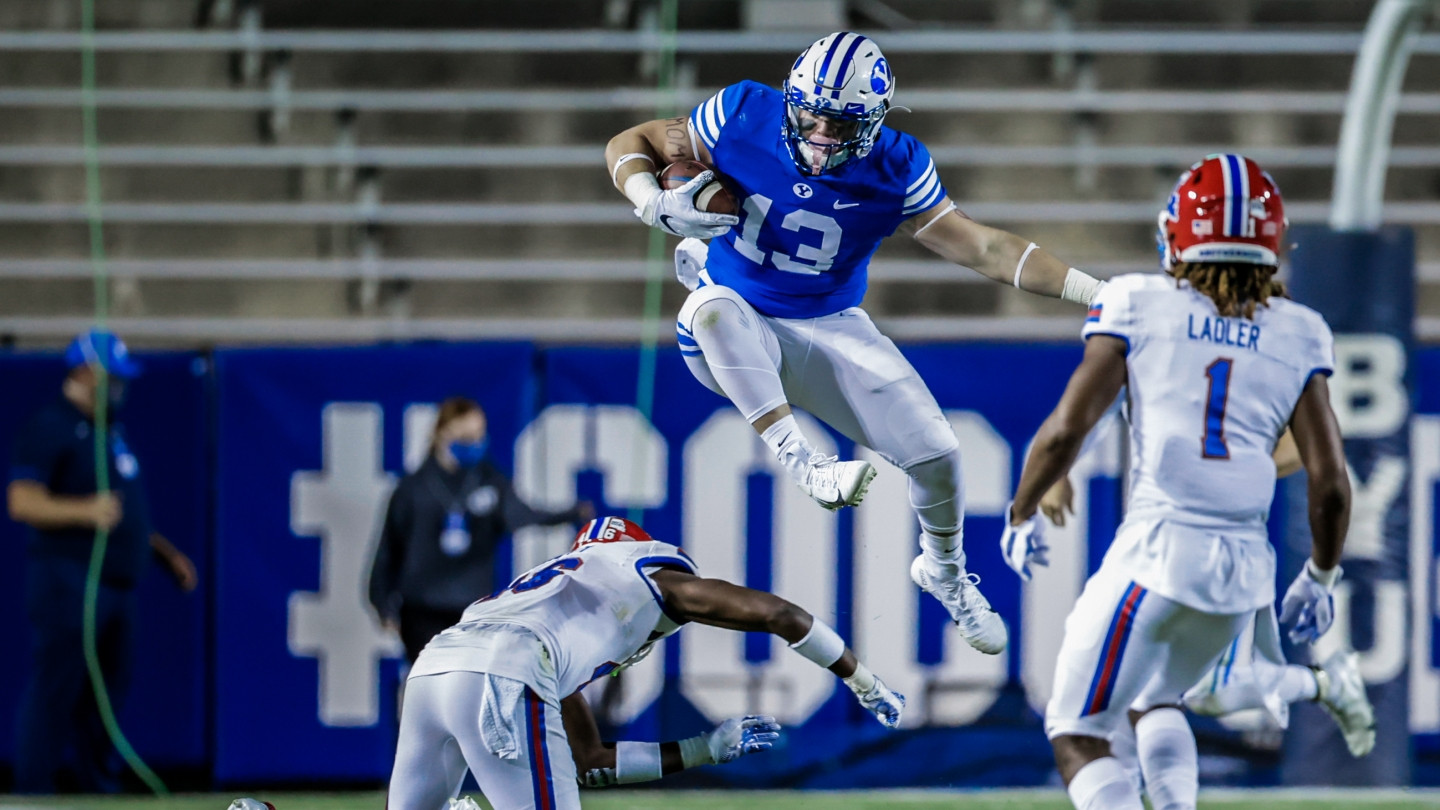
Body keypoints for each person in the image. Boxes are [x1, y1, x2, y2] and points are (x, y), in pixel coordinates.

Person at [604, 31, 1108, 655]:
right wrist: (649, 198)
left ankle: (944, 572)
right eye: (809, 114)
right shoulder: (742, 111)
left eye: (839, 124)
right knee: (709, 309)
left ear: (873, 121)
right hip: (734, 322)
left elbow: (985, 248)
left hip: (828, 323)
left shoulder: (897, 163)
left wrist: (1098, 293)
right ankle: (802, 460)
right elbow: (636, 142)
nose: (818, 134)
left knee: (937, 454)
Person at [997, 154, 1351, 810]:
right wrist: (1322, 575)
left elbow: (1064, 429)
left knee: (1077, 731)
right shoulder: (1300, 332)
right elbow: (1329, 480)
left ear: (1176, 233)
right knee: (1156, 699)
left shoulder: (1137, 300)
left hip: (1158, 553)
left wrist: (1020, 510)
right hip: (1243, 570)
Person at [386, 515, 904, 810]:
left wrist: (704, 749)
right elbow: (779, 613)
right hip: (506, 668)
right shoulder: (654, 578)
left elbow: (588, 762)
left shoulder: (553, 600)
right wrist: (862, 680)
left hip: (435, 664)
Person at [1039, 402, 1375, 763]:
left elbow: (1307, 441)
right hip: (1145, 547)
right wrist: (1056, 470)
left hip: (1222, 550)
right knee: (1138, 691)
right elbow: (1089, 400)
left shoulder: (1258, 356)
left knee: (1208, 693)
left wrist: (1229, 474)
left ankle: (1326, 683)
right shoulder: (1145, 350)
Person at [6, 329, 198, 793]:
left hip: (117, 583)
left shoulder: (109, 430)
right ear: (85, 371)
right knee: (57, 687)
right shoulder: (51, 425)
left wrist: (165, 554)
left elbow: (124, 510)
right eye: (111, 375)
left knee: (107, 692)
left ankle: (96, 786)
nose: (119, 386)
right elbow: (22, 501)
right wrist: (84, 510)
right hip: (70, 578)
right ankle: (32, 788)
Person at [369, 396, 594, 663]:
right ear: (442, 433)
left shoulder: (491, 480)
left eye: (477, 436)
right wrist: (381, 602)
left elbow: (522, 515)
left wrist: (569, 514)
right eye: (464, 436)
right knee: (429, 683)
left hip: (473, 607)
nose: (472, 444)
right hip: (422, 608)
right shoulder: (413, 489)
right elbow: (388, 551)